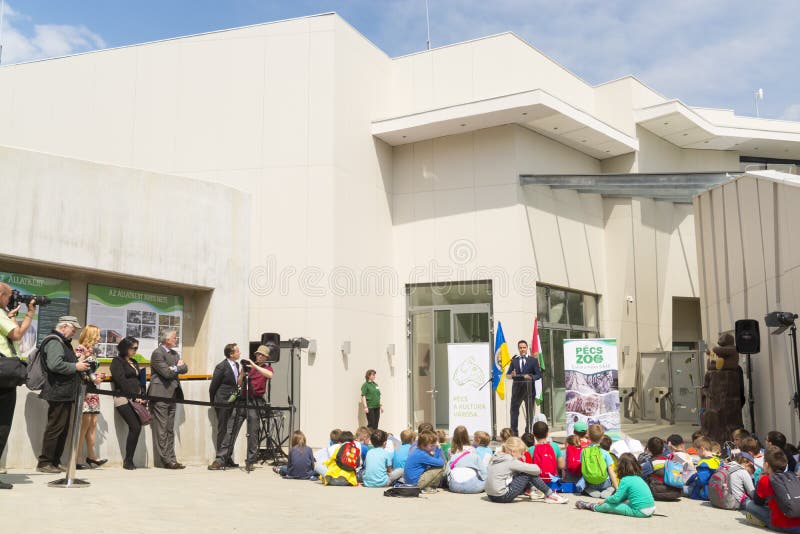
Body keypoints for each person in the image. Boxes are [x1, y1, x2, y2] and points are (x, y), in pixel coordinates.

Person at [37, 316, 91, 473]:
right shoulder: (54, 341)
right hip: (57, 391)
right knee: (56, 427)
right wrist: (76, 366)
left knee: (63, 428)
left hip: (65, 391)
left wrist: (80, 360)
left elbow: (64, 362)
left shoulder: (62, 342)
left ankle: (55, 461)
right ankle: (45, 462)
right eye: (73, 328)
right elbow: (55, 364)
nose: (74, 332)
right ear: (63, 327)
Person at [0, 284, 36, 488]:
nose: (10, 300)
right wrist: (30, 314)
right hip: (3, 376)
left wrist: (10, 315)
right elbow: (16, 335)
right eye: (8, 297)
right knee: (2, 425)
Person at [485, 436, 568, 504]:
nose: (521, 456)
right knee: (528, 473)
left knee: (520, 472)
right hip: (502, 496)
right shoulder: (511, 461)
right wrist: (525, 464)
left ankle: (534, 490)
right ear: (513, 452)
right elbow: (537, 470)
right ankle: (550, 495)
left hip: (490, 495)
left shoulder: (496, 457)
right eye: (521, 453)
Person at [148, 329, 187, 469]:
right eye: (174, 338)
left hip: (173, 394)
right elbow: (166, 373)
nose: (176, 340)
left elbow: (185, 368)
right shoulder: (158, 353)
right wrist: (177, 367)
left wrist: (175, 368)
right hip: (160, 394)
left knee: (170, 428)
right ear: (166, 339)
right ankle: (165, 460)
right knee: (162, 428)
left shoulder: (174, 353)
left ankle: (172, 458)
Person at [576, 453, 656, 518]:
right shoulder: (638, 478)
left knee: (609, 506)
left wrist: (605, 500)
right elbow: (624, 496)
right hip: (651, 508)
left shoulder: (625, 480)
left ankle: (592, 506)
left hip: (640, 511)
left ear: (621, 467)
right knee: (623, 502)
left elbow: (616, 499)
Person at [110, 336, 145, 470]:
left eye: (137, 348)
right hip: (123, 398)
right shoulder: (117, 361)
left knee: (137, 427)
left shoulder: (134, 362)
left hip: (137, 398)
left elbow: (140, 381)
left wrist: (142, 395)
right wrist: (134, 396)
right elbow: (121, 380)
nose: (135, 350)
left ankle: (130, 459)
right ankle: (128, 461)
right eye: (133, 348)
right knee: (135, 426)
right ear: (125, 348)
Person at [75, 324, 107, 470]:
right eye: (97, 334)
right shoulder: (80, 348)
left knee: (93, 424)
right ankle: (76, 458)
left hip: (93, 390)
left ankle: (92, 456)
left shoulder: (92, 350)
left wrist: (96, 377)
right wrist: (93, 378)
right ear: (91, 335)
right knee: (84, 426)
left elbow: (90, 370)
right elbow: (78, 370)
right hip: (84, 390)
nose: (99, 338)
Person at [745, 446, 800, 531]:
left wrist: (759, 480)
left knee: (749, 504)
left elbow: (758, 501)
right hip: (798, 523)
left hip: (780, 524)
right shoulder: (793, 476)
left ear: (766, 464)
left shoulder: (765, 480)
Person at [209, 343, 245, 470]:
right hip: (222, 401)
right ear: (231, 354)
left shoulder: (237, 365)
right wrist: (214, 402)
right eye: (237, 351)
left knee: (231, 429)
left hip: (233, 401)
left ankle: (227, 457)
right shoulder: (221, 366)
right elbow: (213, 386)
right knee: (223, 429)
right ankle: (220, 458)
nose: (239, 353)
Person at [241, 344, 274, 472]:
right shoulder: (249, 368)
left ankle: (250, 460)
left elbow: (270, 375)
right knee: (231, 428)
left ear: (265, 357)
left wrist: (254, 365)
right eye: (257, 354)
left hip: (256, 401)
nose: (258, 356)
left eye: (261, 355)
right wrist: (242, 373)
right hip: (242, 400)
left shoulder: (267, 367)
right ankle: (223, 458)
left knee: (253, 431)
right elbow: (239, 382)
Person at [508, 340, 541, 436]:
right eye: (520, 348)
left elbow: (538, 375)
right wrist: (512, 374)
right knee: (514, 412)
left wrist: (531, 377)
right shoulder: (514, 361)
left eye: (524, 347)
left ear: (527, 348)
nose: (522, 349)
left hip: (529, 390)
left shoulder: (533, 360)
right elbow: (508, 374)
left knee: (529, 413)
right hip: (517, 391)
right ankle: (514, 433)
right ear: (518, 349)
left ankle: (528, 433)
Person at [580, 424, 619, 498]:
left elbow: (583, 467)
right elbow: (611, 471)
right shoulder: (605, 453)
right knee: (610, 485)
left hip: (590, 482)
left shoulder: (583, 451)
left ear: (588, 437)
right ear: (602, 438)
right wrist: (617, 488)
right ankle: (608, 490)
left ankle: (591, 490)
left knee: (588, 486)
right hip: (604, 482)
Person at [446, 427, 486, 494]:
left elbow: (449, 468)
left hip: (455, 483)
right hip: (471, 481)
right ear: (466, 436)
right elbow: (479, 467)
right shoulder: (472, 449)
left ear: (454, 437)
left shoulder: (450, 450)